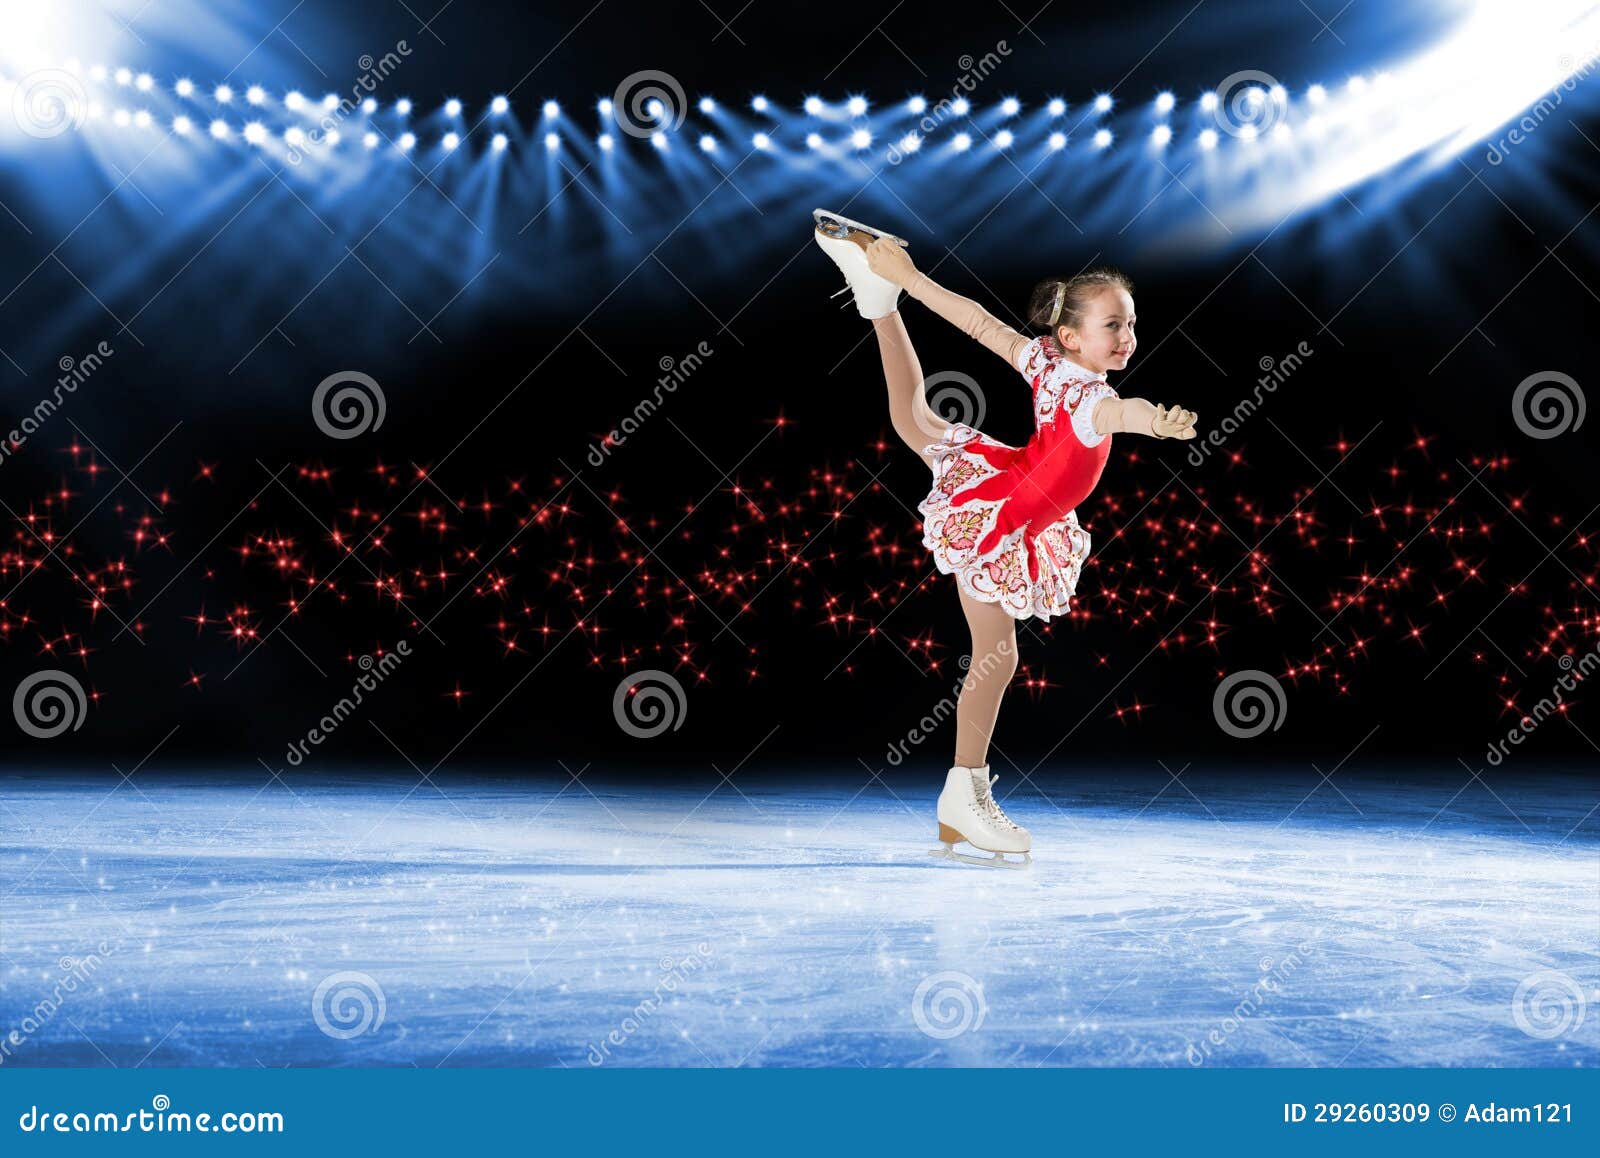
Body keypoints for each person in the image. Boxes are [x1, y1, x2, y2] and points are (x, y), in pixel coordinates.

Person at [814, 211, 1198, 867]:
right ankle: (963, 795)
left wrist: (912, 279)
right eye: (1113, 325)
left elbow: (980, 323)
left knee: (917, 421)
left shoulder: (1049, 364)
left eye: (1131, 323)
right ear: (1071, 337)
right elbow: (1118, 412)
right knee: (997, 654)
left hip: (1010, 483)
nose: (1128, 336)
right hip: (1003, 521)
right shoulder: (1086, 398)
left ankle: (878, 298)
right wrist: (1153, 421)